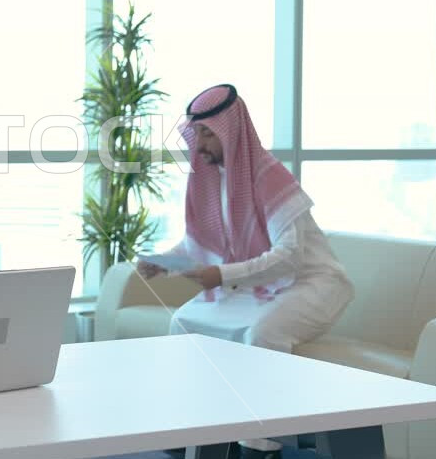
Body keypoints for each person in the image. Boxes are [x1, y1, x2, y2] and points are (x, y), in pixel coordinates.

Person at [138, 84, 354, 458]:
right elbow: (198, 244)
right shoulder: (213, 179)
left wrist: (222, 276)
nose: (199, 144)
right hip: (261, 286)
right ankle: (194, 430)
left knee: (263, 334)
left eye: (208, 133)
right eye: (196, 133)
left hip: (313, 285)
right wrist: (164, 260)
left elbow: (288, 258)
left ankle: (260, 447)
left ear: (231, 131)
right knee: (184, 322)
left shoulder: (271, 177)